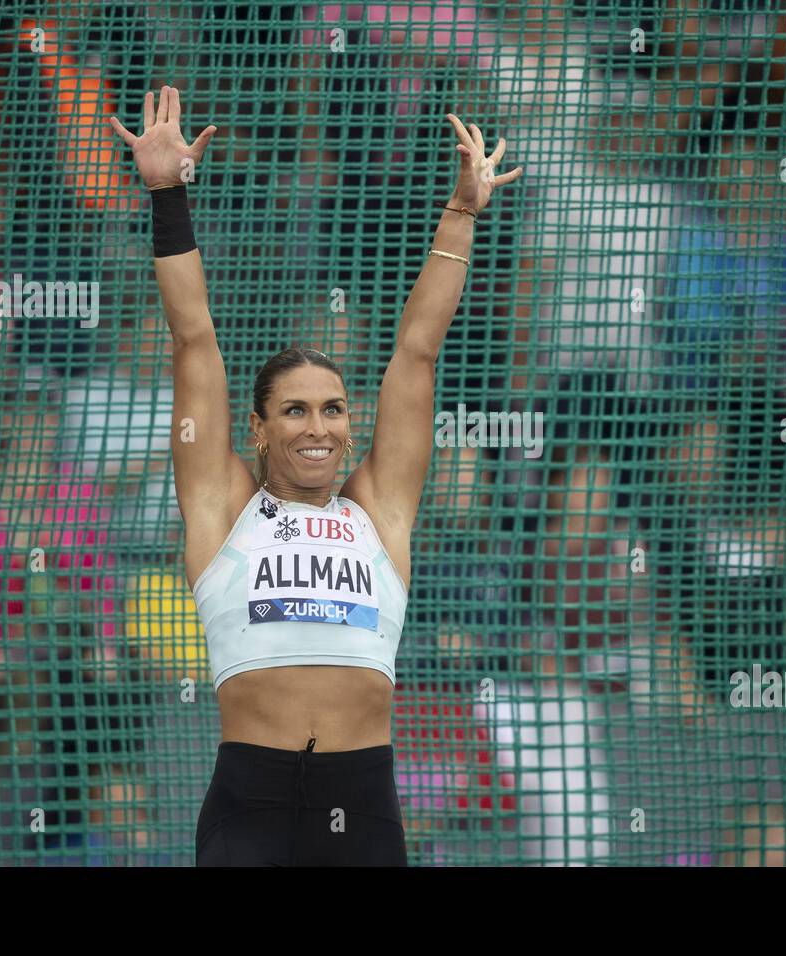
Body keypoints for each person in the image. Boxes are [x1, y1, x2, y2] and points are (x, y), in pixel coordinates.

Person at [108, 84, 523, 866]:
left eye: (332, 409)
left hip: (363, 806)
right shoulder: (223, 506)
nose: (319, 428)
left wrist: (462, 215)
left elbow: (417, 353)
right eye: (295, 411)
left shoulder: (379, 510)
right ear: (258, 428)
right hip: (250, 805)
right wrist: (167, 194)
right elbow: (195, 341)